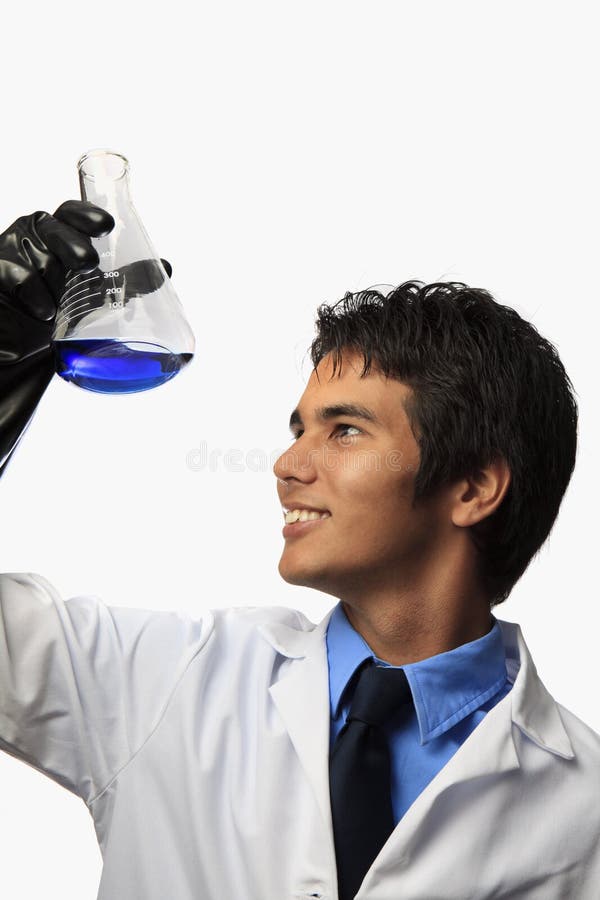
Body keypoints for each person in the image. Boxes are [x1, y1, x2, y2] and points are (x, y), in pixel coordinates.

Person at [0, 201, 599, 900]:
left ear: (472, 488)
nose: (286, 464)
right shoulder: (158, 682)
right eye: (299, 428)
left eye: (344, 430)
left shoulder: (583, 812)